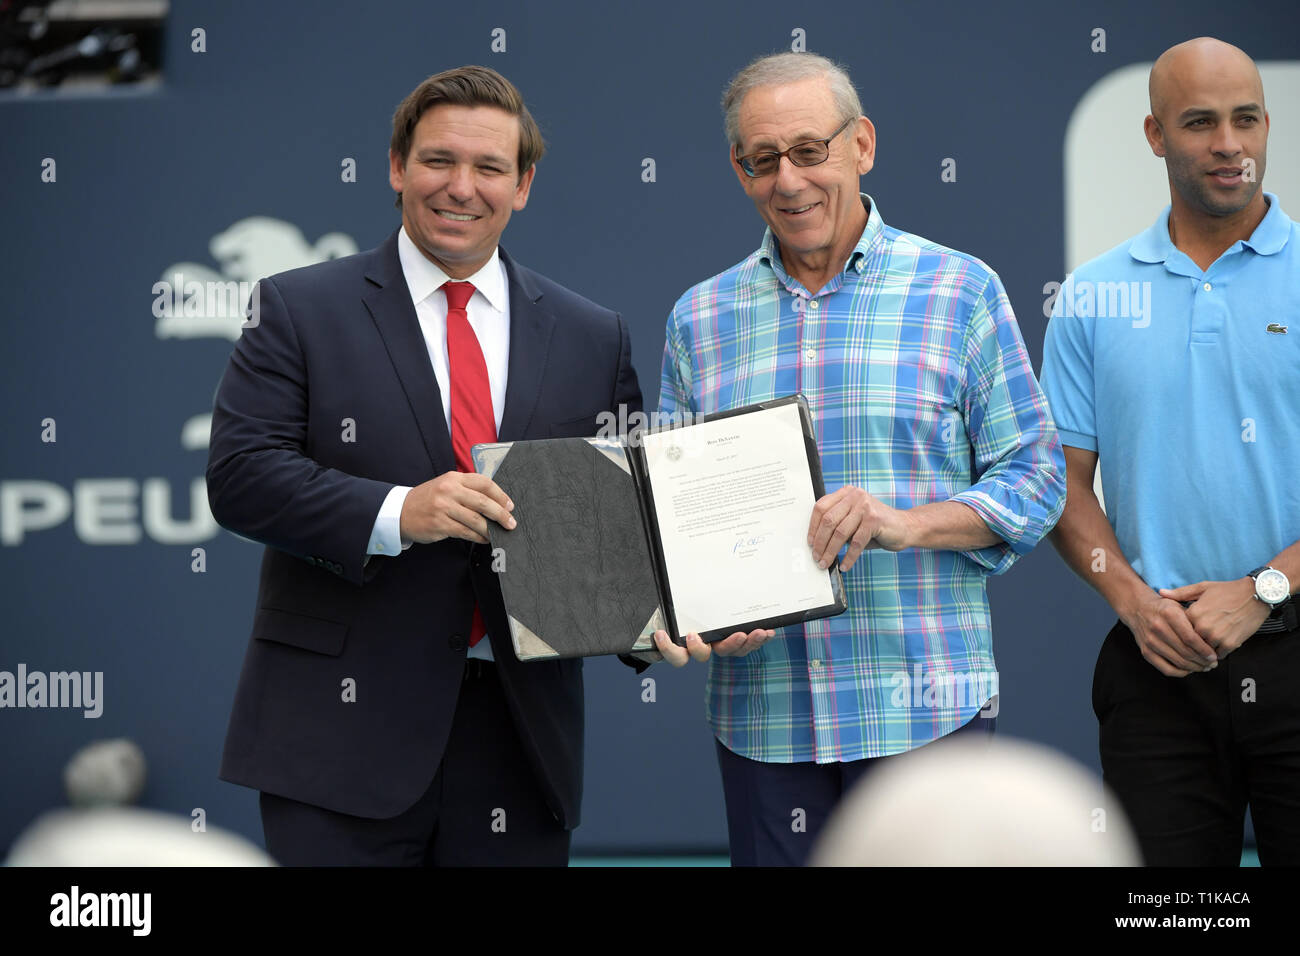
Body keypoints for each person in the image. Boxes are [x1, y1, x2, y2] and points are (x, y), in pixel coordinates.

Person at [206, 65, 642, 866]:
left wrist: (664, 621)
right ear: (397, 167)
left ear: (524, 185)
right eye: (439, 160)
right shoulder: (298, 307)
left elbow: (619, 528)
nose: (461, 187)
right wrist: (397, 512)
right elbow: (241, 478)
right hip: (340, 738)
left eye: (489, 168)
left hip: (520, 741)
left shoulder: (592, 335)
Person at [652, 52, 1065, 866]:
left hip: (924, 714)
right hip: (765, 720)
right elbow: (671, 515)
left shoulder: (959, 289)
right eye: (763, 159)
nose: (790, 179)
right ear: (740, 171)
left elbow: (1037, 476)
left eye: (811, 150)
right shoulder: (701, 317)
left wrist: (905, 523)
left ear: (862, 145)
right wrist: (699, 609)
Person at [1041, 37, 1300, 866]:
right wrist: (1133, 603)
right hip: (1157, 667)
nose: (1230, 144)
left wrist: (1264, 588)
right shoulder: (1091, 296)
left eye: (1246, 120)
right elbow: (1063, 485)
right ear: (1155, 136)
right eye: (1200, 123)